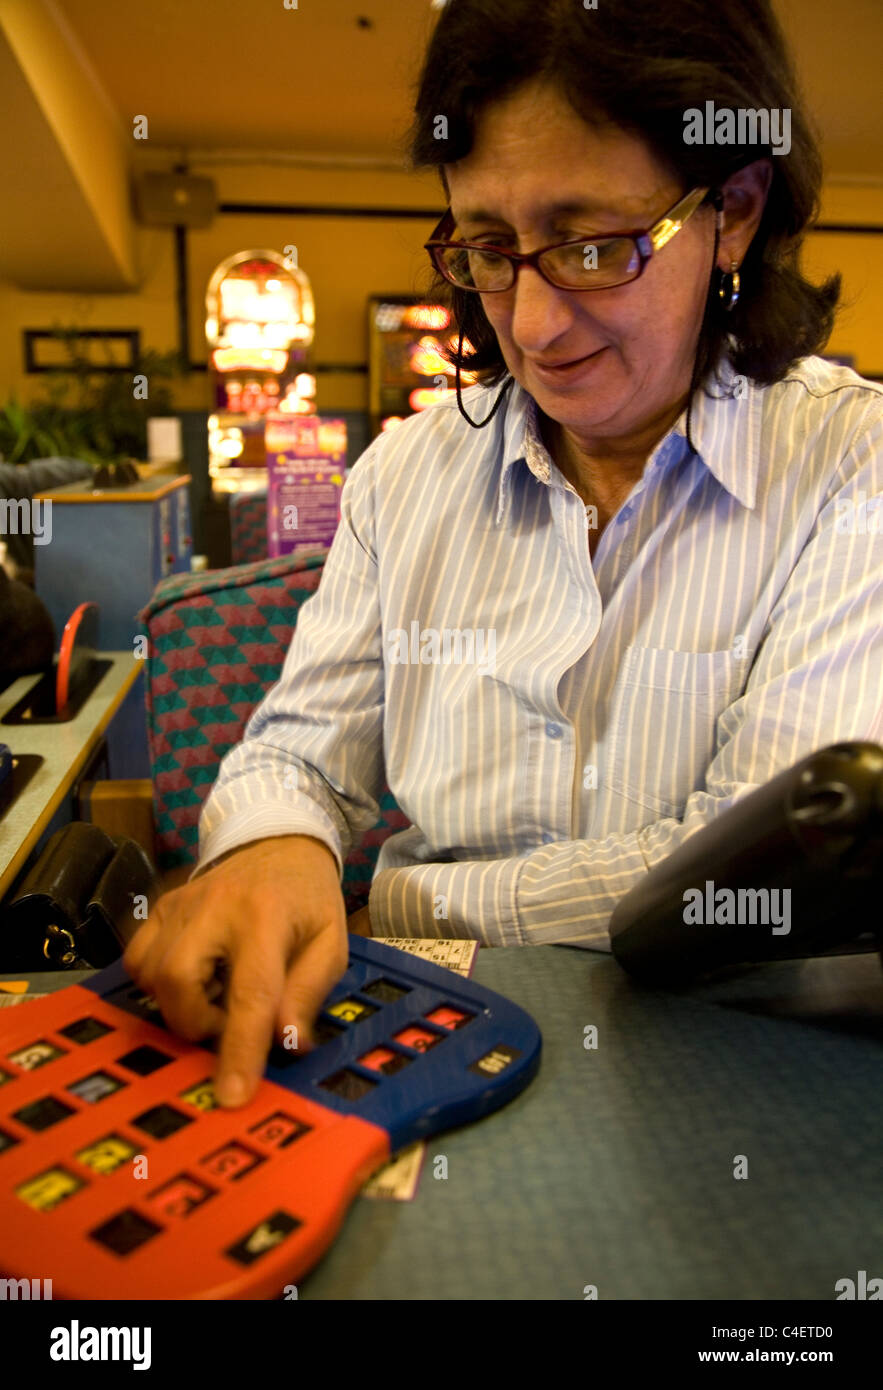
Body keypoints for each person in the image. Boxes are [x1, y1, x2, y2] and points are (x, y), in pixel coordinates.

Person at [124, 0, 883, 1107]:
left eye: (590, 246)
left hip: (728, 1072)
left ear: (734, 210)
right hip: (433, 1037)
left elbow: (734, 880)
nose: (530, 326)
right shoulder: (403, 472)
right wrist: (271, 845)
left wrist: (397, 901)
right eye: (486, 247)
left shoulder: (851, 465)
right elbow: (297, 753)